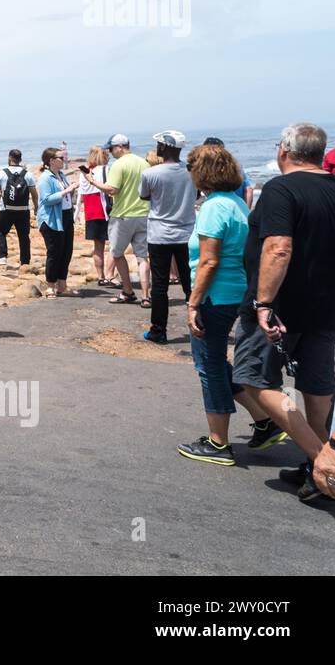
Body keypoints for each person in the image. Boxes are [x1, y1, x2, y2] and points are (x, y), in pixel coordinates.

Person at [232, 123, 335, 502]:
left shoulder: (281, 188)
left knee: (253, 380)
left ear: (284, 151)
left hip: (280, 308)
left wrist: (263, 303)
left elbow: (278, 247)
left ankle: (323, 460)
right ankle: (316, 471)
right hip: (325, 305)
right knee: (316, 383)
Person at [176, 143, 279, 466]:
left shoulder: (213, 207)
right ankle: (265, 421)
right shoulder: (236, 203)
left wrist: (193, 304)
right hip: (236, 291)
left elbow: (208, 262)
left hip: (214, 296)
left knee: (208, 367)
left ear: (201, 173)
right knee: (218, 362)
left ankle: (218, 442)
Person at [138, 131, 196, 344]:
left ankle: (158, 330)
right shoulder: (192, 171)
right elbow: (196, 195)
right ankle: (199, 325)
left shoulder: (151, 173)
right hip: (186, 233)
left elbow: (144, 195)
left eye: (158, 145)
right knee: (190, 283)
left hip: (160, 234)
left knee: (160, 285)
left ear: (164, 147)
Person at [83, 134, 151, 307]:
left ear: (120, 147)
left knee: (117, 253)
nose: (110, 152)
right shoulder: (143, 163)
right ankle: (146, 296)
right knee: (142, 257)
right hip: (143, 214)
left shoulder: (118, 165)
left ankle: (128, 291)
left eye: (112, 149)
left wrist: (93, 182)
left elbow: (112, 190)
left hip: (122, 215)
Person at [36, 147, 76, 297]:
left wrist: (71, 189)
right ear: (51, 161)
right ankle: (50, 286)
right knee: (54, 252)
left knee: (66, 251)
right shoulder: (45, 178)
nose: (64, 159)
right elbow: (47, 200)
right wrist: (67, 190)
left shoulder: (61, 175)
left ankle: (62, 284)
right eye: (61, 157)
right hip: (52, 219)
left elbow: (64, 196)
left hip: (66, 216)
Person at [76, 146, 114, 285]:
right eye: (106, 155)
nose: (108, 157)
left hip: (91, 212)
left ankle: (101, 277)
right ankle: (110, 274)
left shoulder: (84, 172)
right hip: (105, 211)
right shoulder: (105, 169)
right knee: (115, 245)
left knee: (98, 247)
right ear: (101, 156)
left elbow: (81, 194)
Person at [0, 149, 36, 268]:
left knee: (0, 232)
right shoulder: (27, 174)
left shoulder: (1, 173)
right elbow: (34, 193)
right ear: (20, 159)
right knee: (23, 235)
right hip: (23, 210)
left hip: (6, 209)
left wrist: (0, 203)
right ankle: (25, 261)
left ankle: (2, 256)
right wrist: (36, 207)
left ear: (10, 158)